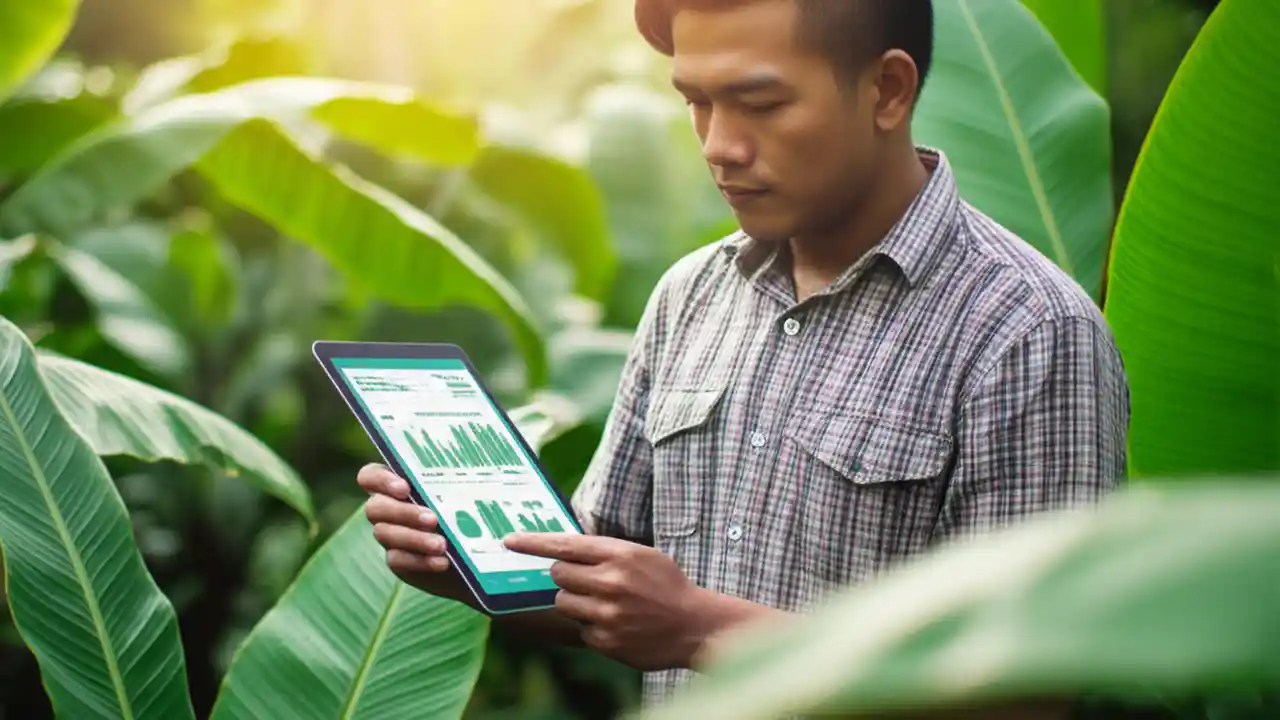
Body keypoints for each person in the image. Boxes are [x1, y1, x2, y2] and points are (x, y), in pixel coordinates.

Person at [358, 0, 1130, 711]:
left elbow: (1025, 690)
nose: (719, 146)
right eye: (696, 102)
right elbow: (608, 581)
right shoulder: (691, 296)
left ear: (887, 91)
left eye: (760, 104)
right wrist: (472, 559)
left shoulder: (1027, 333)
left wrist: (701, 629)